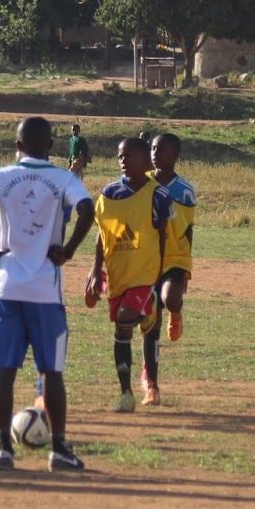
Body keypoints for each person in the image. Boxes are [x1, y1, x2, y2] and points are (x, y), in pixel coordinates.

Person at [0, 116, 95, 472]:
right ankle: (59, 450)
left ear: (17, 145)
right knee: (51, 372)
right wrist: (67, 250)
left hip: (6, 288)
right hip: (45, 291)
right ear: (51, 146)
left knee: (4, 371)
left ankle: (4, 448)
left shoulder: (1, 176)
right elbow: (87, 210)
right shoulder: (63, 177)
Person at [87, 136, 173, 413]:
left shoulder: (159, 195)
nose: (123, 161)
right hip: (117, 274)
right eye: (120, 156)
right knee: (126, 329)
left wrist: (160, 274)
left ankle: (144, 387)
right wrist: (95, 269)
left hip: (145, 275)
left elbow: (162, 237)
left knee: (125, 319)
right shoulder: (109, 194)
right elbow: (102, 237)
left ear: (146, 160)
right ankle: (128, 392)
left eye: (129, 156)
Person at [142, 132, 196, 404]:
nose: (155, 153)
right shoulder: (143, 184)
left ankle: (176, 311)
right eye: (152, 148)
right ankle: (152, 384)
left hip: (174, 257)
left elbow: (187, 230)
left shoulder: (184, 189)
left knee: (170, 298)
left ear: (175, 155)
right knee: (149, 321)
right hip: (146, 259)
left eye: (161, 149)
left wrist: (186, 266)